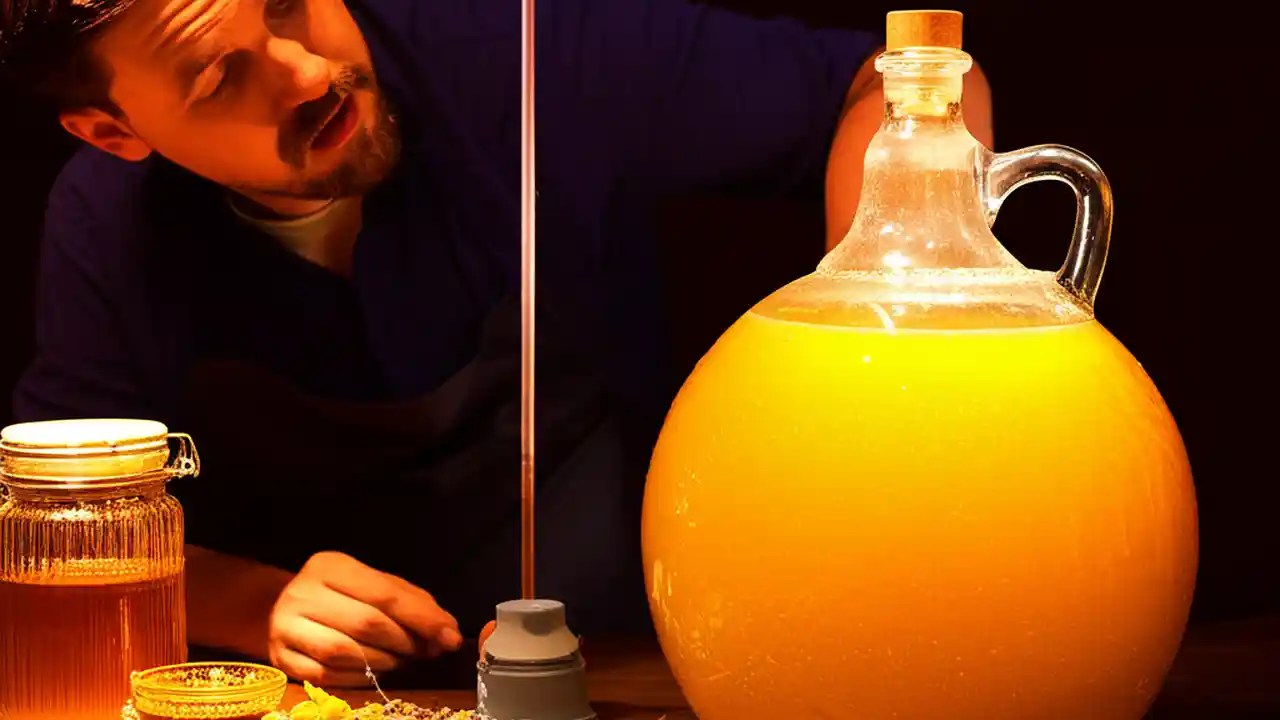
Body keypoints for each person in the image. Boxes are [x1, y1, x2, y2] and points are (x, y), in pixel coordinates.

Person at [1, 0, 992, 687]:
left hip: (623, 668)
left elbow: (903, 78)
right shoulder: (108, 227)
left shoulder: (515, 43)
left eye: (289, 6)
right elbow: (46, 536)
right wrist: (247, 602)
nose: (305, 71)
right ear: (111, 131)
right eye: (222, 78)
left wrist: (889, 297)